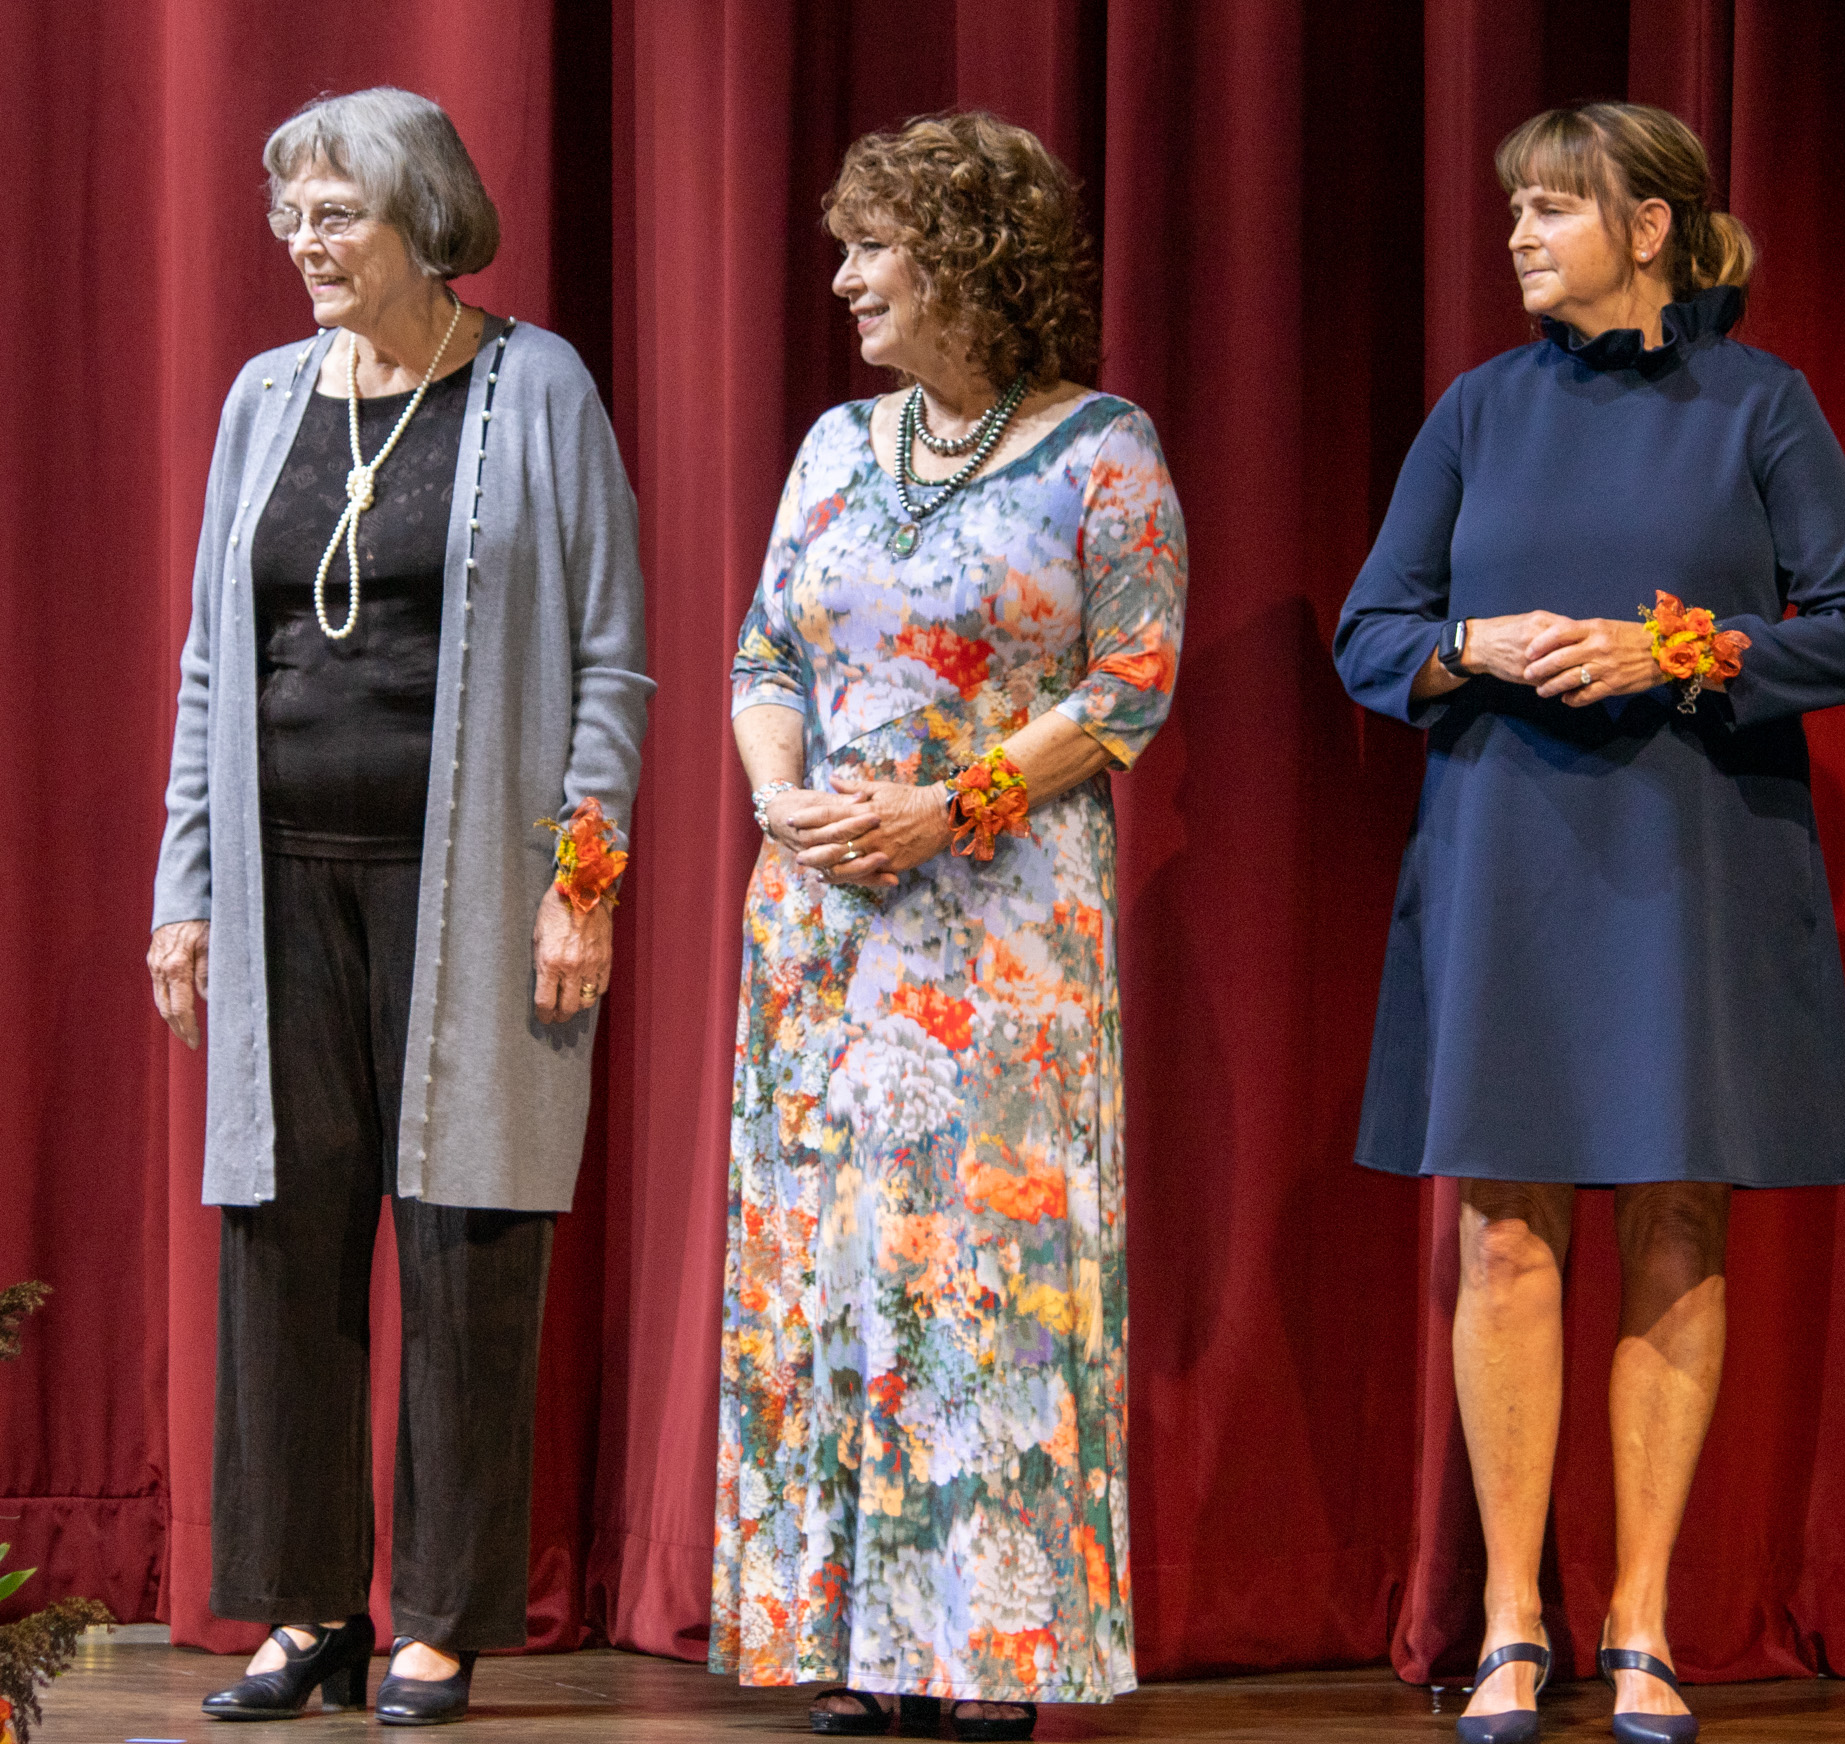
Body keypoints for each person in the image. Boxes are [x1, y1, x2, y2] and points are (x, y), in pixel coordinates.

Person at [1332, 103, 1845, 1744]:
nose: (1516, 235)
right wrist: (1478, 645)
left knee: (1678, 1220)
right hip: (1509, 850)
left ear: (1650, 229)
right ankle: (1513, 1616)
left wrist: (1687, 652)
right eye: (1513, 209)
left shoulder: (1759, 405)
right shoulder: (1477, 410)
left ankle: (1642, 1618)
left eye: (1553, 210)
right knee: (1502, 1227)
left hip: (1693, 853)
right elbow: (1376, 633)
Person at [145, 87, 651, 1726]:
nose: (303, 241)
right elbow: (217, 659)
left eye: (335, 211)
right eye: (288, 212)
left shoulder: (539, 386)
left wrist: (584, 888)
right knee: (284, 1252)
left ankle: (436, 1612)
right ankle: (305, 1610)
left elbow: (610, 660)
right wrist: (189, 884)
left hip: (480, 892)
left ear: (423, 216)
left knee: (467, 1244)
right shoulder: (263, 399)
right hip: (285, 873)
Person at [712, 112, 1187, 1743]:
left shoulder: (1102, 448)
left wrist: (951, 805)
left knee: (983, 1267)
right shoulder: (839, 447)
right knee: (837, 1268)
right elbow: (765, 657)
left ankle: (987, 1648)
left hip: (997, 929)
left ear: (969, 260)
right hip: (826, 920)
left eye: (872, 246)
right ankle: (868, 1642)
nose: (842, 277)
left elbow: (1130, 687)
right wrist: (782, 803)